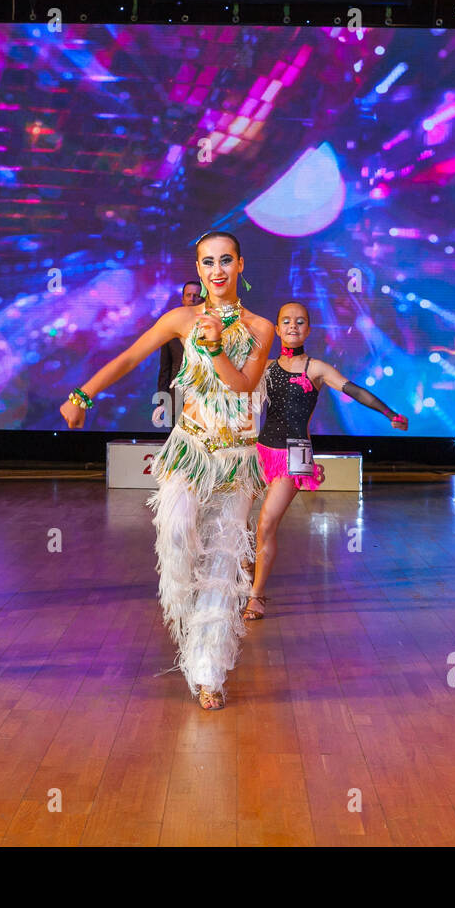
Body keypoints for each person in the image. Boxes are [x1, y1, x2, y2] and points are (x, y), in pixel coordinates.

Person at [61, 231, 274, 710]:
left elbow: (243, 388)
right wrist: (82, 396)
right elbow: (131, 356)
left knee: (223, 564)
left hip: (236, 460)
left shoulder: (261, 328)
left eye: (225, 260)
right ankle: (186, 622)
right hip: (189, 450)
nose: (216, 270)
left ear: (240, 265)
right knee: (176, 535)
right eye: (207, 262)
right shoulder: (181, 319)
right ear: (198, 269)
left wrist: (217, 347)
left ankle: (207, 673)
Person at [243, 302, 408, 621]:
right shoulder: (264, 367)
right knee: (240, 523)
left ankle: (257, 595)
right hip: (261, 451)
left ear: (308, 329)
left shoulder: (316, 369)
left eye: (300, 322)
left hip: (294, 455)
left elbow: (354, 390)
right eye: (286, 321)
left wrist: (389, 414)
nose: (293, 326)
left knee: (266, 524)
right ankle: (245, 571)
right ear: (277, 329)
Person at [156, 280, 203, 407]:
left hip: (203, 399)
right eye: (188, 295)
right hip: (176, 398)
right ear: (183, 299)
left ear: (204, 300)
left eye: (196, 295)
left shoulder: (212, 329)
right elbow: (165, 367)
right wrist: (161, 402)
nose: (192, 299)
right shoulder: (171, 329)